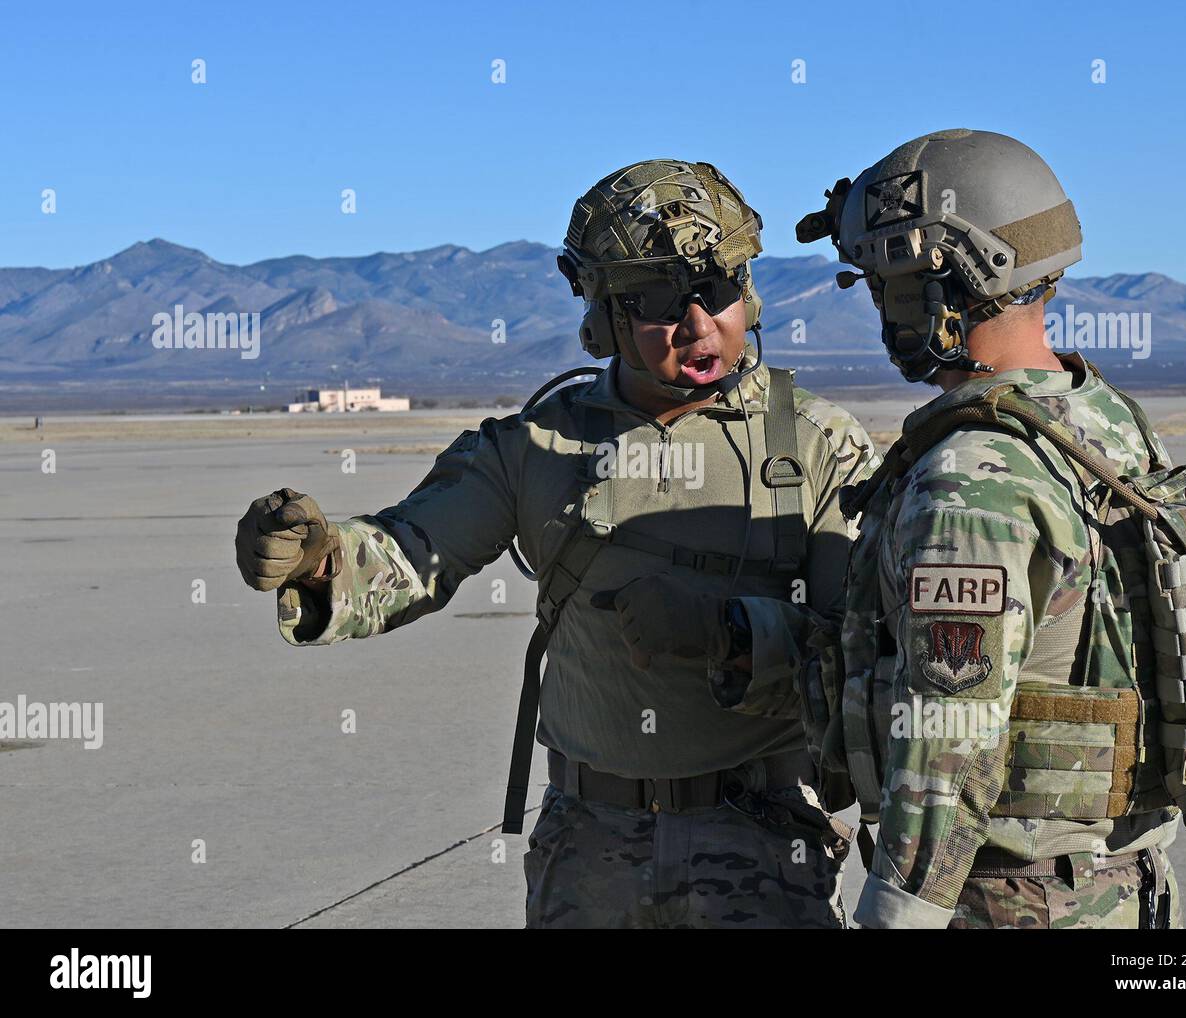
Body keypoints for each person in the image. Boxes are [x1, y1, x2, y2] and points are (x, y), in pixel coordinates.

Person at [234, 159, 879, 928]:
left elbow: (867, 654)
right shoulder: (534, 446)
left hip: (765, 848)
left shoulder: (819, 446)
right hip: (591, 855)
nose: (700, 326)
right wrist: (317, 558)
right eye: (660, 303)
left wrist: (735, 635)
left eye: (719, 291)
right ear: (604, 318)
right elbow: (410, 555)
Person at [790, 129, 1186, 929]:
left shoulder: (971, 476)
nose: (880, 305)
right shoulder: (1098, 420)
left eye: (883, 279)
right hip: (1121, 881)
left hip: (1005, 898)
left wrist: (898, 913)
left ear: (941, 279)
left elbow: (949, 735)